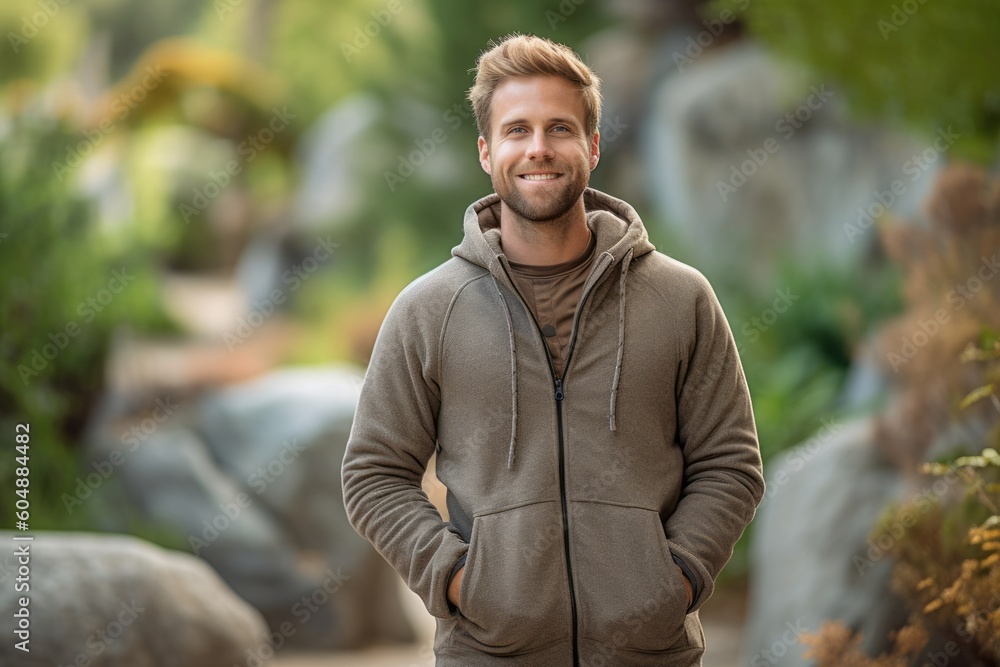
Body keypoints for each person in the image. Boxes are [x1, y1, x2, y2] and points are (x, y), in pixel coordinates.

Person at [342, 33, 765, 667]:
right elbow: (373, 473)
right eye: (517, 130)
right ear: (487, 152)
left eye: (559, 128)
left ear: (592, 145)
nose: (538, 148)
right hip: (489, 653)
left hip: (648, 654)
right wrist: (459, 580)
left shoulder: (680, 299)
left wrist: (671, 580)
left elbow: (730, 464)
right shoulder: (429, 309)